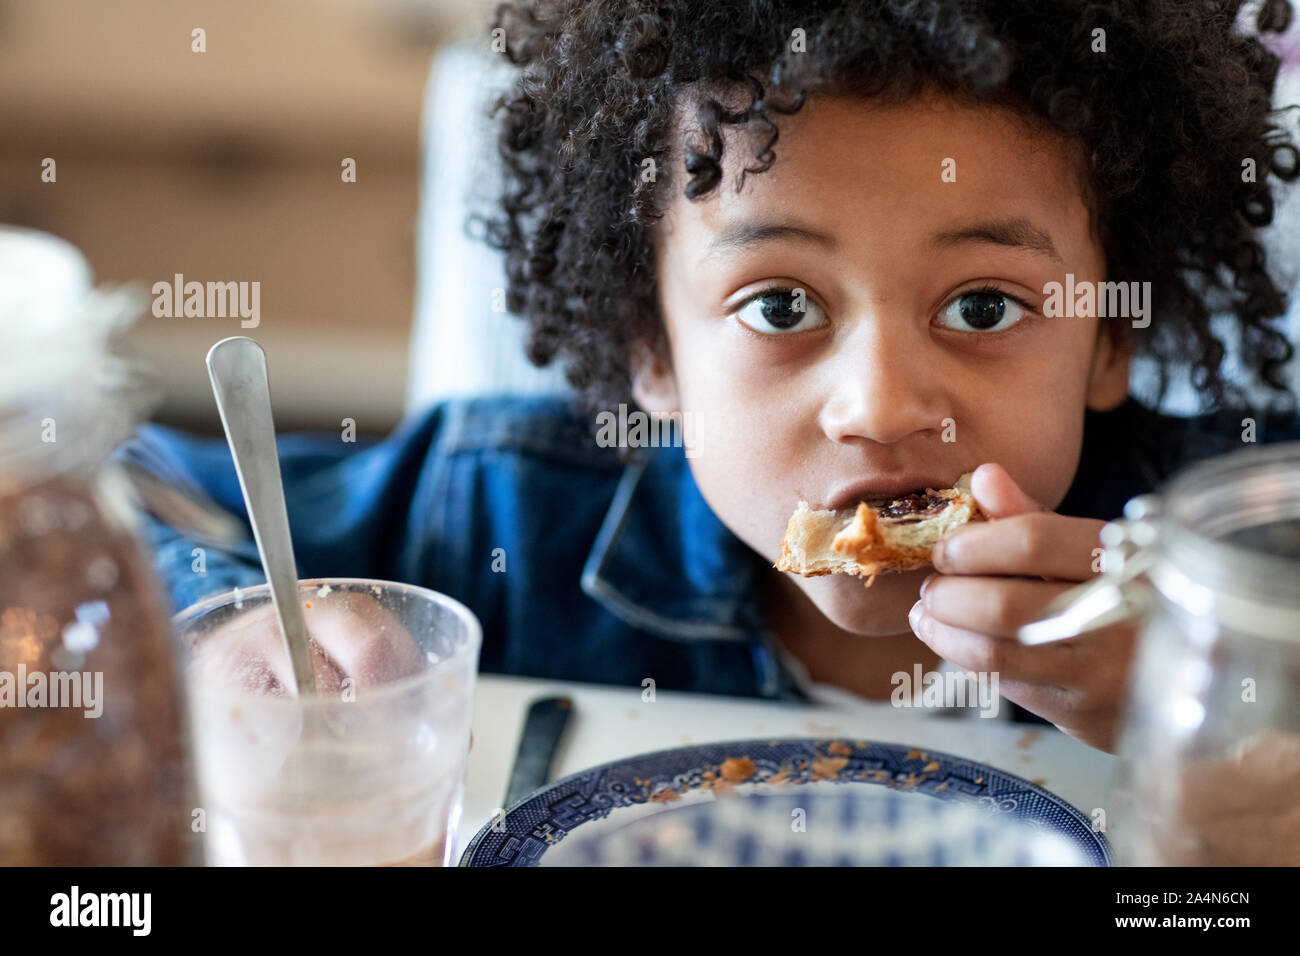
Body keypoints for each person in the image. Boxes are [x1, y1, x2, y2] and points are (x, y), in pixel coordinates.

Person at [121, 0, 1300, 754]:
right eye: (780, 306)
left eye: (982, 306)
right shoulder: (501, 509)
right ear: (653, 349)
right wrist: (217, 621)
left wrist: (1230, 700)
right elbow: (101, 492)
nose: (880, 405)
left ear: (1109, 339)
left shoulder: (1228, 551)